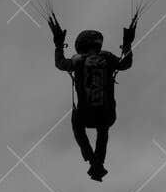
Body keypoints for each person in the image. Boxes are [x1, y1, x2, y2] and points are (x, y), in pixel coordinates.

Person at [50, 16, 135, 181]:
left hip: (85, 115)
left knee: (77, 124)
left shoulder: (78, 61)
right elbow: (126, 64)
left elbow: (60, 63)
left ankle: (92, 160)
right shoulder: (108, 58)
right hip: (106, 114)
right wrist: (127, 45)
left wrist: (58, 45)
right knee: (103, 131)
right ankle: (98, 163)